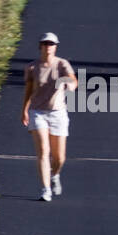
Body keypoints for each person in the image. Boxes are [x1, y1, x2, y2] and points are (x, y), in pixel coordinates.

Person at [22, 32, 78, 202]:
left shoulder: (62, 64)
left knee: (59, 157)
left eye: (51, 44)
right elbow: (29, 91)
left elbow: (73, 80)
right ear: (40, 46)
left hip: (58, 113)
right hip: (37, 112)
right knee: (43, 152)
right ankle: (45, 189)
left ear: (56, 47)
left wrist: (70, 84)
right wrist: (24, 110)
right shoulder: (32, 67)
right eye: (45, 43)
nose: (48, 47)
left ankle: (55, 175)